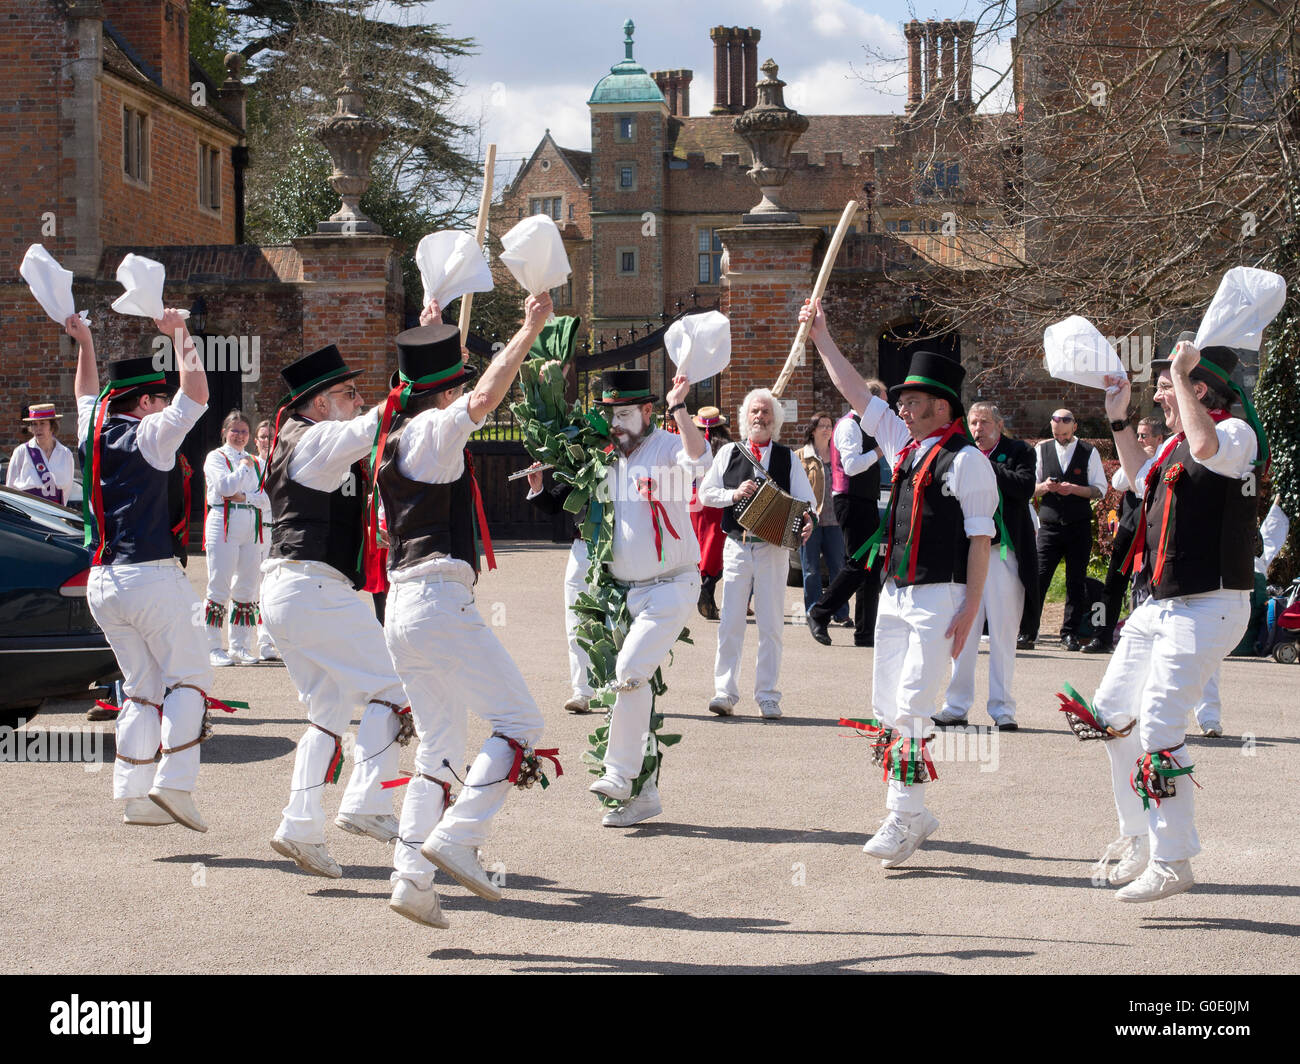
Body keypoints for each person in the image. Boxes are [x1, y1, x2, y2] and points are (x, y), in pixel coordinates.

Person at [378, 295, 554, 929]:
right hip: (437, 598)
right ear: (441, 389)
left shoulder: (394, 438)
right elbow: (482, 400)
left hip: (402, 607)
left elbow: (457, 395)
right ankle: (458, 837)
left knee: (439, 748)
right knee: (519, 721)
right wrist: (529, 329)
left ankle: (410, 878)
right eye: (452, 382)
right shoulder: (432, 429)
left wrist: (435, 330)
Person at [802, 297, 996, 868]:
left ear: (940, 406)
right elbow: (858, 397)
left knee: (914, 702)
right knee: (887, 703)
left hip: (944, 596)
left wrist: (971, 613)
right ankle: (913, 812)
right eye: (901, 402)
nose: (901, 408)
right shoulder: (903, 448)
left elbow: (982, 541)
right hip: (895, 593)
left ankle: (903, 814)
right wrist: (821, 338)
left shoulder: (967, 463)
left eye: (911, 401)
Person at [1069, 339, 1263, 902]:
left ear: (1198, 389)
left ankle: (1174, 858)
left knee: (1158, 726)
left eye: (1167, 384)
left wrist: (1180, 370)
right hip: (1159, 602)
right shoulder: (1174, 443)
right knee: (1111, 713)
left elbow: (1205, 445)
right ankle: (1140, 837)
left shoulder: (1232, 434)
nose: (1158, 392)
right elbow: (1135, 477)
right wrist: (1119, 418)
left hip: (1210, 602)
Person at [261, 344, 411, 879]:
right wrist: (418, 378)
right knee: (396, 689)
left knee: (325, 713)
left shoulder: (303, 440)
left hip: (291, 590)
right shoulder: (317, 437)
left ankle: (299, 825)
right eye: (347, 392)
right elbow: (371, 426)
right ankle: (367, 801)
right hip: (313, 587)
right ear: (320, 403)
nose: (357, 399)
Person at [72, 310, 215, 832]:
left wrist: (84, 342)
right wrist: (180, 335)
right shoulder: (150, 435)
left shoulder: (92, 428)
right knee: (190, 679)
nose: (164, 401)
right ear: (147, 403)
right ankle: (174, 785)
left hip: (102, 580)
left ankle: (133, 794)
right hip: (149, 574)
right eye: (158, 396)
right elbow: (196, 395)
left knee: (140, 687)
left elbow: (86, 392)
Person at [586, 367, 710, 826]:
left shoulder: (670, 446)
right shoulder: (608, 455)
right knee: (637, 691)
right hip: (622, 593)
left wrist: (682, 408)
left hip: (671, 586)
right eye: (609, 413)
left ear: (647, 410)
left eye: (623, 413)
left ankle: (618, 775)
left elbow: (701, 460)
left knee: (629, 671)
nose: (614, 421)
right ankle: (645, 795)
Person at [699, 388, 815, 720]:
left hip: (772, 549)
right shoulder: (729, 454)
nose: (759, 417)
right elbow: (707, 493)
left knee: (770, 624)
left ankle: (767, 695)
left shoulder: (786, 457)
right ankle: (724, 691)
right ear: (744, 418)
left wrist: (809, 521)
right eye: (754, 412)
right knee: (731, 621)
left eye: (765, 412)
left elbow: (806, 501)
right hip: (737, 545)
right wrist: (733, 494)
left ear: (774, 420)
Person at [934, 402, 1036, 729]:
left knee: (1003, 634)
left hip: (1005, 555)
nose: (978, 429)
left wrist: (986, 467)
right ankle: (956, 705)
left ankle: (1003, 709)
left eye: (984, 423)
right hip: (969, 555)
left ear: (999, 424)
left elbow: (1024, 487)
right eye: (973, 423)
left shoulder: (1019, 451)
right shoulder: (961, 454)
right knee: (963, 630)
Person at [806, 384, 887, 647]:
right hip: (850, 501)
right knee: (858, 562)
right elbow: (851, 466)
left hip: (865, 500)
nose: (888, 409)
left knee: (871, 566)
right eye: (884, 403)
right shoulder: (849, 425)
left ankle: (866, 632)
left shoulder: (868, 427)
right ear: (871, 402)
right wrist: (879, 452)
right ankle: (819, 612)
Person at [1024, 407, 1107, 650]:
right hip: (1049, 525)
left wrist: (1075, 489)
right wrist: (1046, 487)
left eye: (1064, 433)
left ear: (1074, 427)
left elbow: (1099, 489)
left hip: (1078, 525)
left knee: (1075, 582)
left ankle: (1068, 633)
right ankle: (1028, 630)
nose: (1060, 437)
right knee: (1038, 579)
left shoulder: (1088, 451)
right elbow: (1030, 488)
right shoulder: (1041, 449)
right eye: (1056, 433)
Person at [1084, 415, 1165, 655]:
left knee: (1153, 582)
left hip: (1154, 528)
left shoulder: (1165, 454)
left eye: (1144, 435)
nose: (1139, 440)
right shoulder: (1134, 456)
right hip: (1130, 525)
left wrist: (1147, 463)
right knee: (1114, 581)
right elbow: (1120, 482)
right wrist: (1138, 464)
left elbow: (1146, 484)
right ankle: (1103, 636)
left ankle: (1152, 637)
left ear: (1159, 438)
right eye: (1137, 435)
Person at [526, 464, 596, 713]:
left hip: (621, 550)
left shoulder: (631, 456)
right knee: (577, 623)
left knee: (615, 624)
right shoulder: (583, 460)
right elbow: (555, 503)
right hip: (582, 549)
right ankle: (582, 691)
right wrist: (538, 488)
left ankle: (617, 689)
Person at [202, 410, 268, 667]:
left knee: (248, 585)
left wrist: (246, 497)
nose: (240, 436)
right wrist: (241, 471)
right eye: (235, 431)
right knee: (219, 583)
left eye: (243, 431)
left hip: (250, 521)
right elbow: (226, 488)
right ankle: (213, 646)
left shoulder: (255, 461)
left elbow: (265, 498)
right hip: (223, 521)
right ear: (225, 432)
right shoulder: (216, 458)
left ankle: (240, 645)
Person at [798, 412, 850, 626]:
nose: (828, 429)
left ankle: (841, 613)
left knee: (839, 568)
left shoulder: (838, 454)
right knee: (811, 569)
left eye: (830, 426)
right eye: (823, 426)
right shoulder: (800, 456)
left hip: (835, 521)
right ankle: (814, 612)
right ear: (813, 430)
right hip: (810, 521)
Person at [690, 406, 731, 620]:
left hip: (695, 500)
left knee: (703, 547)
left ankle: (710, 600)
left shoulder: (693, 445)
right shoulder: (727, 448)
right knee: (718, 550)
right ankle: (706, 589)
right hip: (717, 501)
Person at [8, 401, 76, 504]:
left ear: (52, 426)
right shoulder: (21, 452)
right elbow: (10, 488)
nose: (38, 428)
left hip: (55, 513)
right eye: (34, 424)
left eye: (42, 423)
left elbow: (66, 491)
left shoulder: (65, 454)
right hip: (28, 512)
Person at [251, 419, 278, 661]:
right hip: (254, 531)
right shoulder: (250, 464)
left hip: (278, 531)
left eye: (271, 436)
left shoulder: (280, 463)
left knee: (271, 588)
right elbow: (253, 497)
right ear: (256, 441)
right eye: (263, 437)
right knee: (251, 587)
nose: (267, 441)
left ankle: (266, 639)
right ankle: (238, 642)